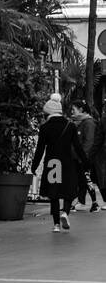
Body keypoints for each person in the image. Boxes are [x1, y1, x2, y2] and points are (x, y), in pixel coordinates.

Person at [31, 93, 91, 233]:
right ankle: (65, 212)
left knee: (54, 194)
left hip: (52, 164)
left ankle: (56, 224)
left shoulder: (45, 128)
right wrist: (86, 162)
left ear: (48, 113)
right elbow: (78, 147)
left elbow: (40, 150)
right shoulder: (70, 126)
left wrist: (34, 166)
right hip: (67, 163)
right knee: (69, 190)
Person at [69, 101, 102, 211]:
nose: (71, 112)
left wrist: (83, 157)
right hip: (78, 158)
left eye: (74, 109)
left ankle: (95, 203)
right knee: (82, 181)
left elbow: (89, 142)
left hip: (84, 158)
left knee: (86, 180)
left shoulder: (88, 123)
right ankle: (81, 202)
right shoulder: (80, 123)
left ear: (81, 109)